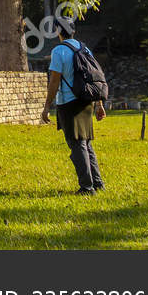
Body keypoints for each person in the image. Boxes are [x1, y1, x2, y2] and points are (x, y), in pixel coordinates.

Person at [40, 22, 106, 195]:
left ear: (57, 32)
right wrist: (99, 104)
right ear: (73, 31)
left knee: (77, 145)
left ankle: (86, 187)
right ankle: (97, 183)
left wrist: (47, 106)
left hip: (69, 102)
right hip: (86, 100)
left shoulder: (59, 51)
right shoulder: (84, 48)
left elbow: (54, 80)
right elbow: (95, 76)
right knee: (86, 143)